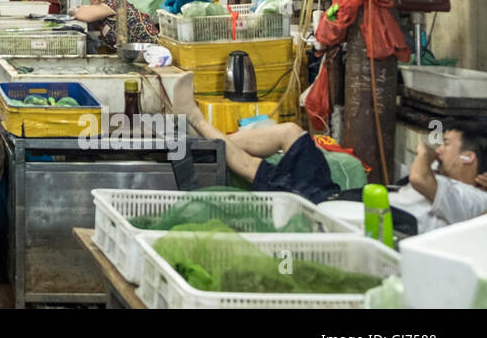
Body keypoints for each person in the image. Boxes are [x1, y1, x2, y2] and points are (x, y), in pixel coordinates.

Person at [181, 101, 487, 232]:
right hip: (337, 199)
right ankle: (206, 136)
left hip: (323, 213)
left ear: (468, 158)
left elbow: (420, 178)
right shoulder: (455, 190)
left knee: (255, 167)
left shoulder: (471, 198)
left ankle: (195, 120)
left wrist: (425, 151)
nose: (440, 148)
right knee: (291, 133)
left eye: (447, 143)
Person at [70, 0, 159, 48]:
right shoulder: (107, 9)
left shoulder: (113, 4)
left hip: (150, 48)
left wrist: (75, 10)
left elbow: (83, 14)